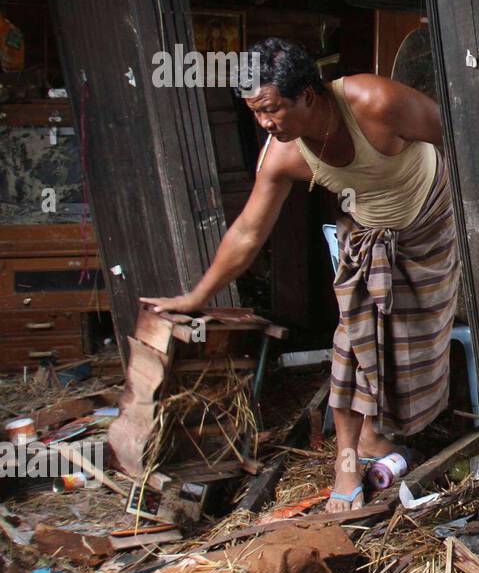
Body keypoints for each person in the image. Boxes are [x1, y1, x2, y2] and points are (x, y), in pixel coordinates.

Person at [142, 38, 461, 510]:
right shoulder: (283, 155)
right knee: (353, 339)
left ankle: (377, 439)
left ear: (309, 95)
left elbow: (459, 133)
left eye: (272, 110)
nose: (266, 124)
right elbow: (249, 232)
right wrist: (197, 296)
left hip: (431, 223)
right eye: (255, 113)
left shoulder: (376, 102)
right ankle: (346, 461)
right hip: (369, 233)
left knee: (411, 340)